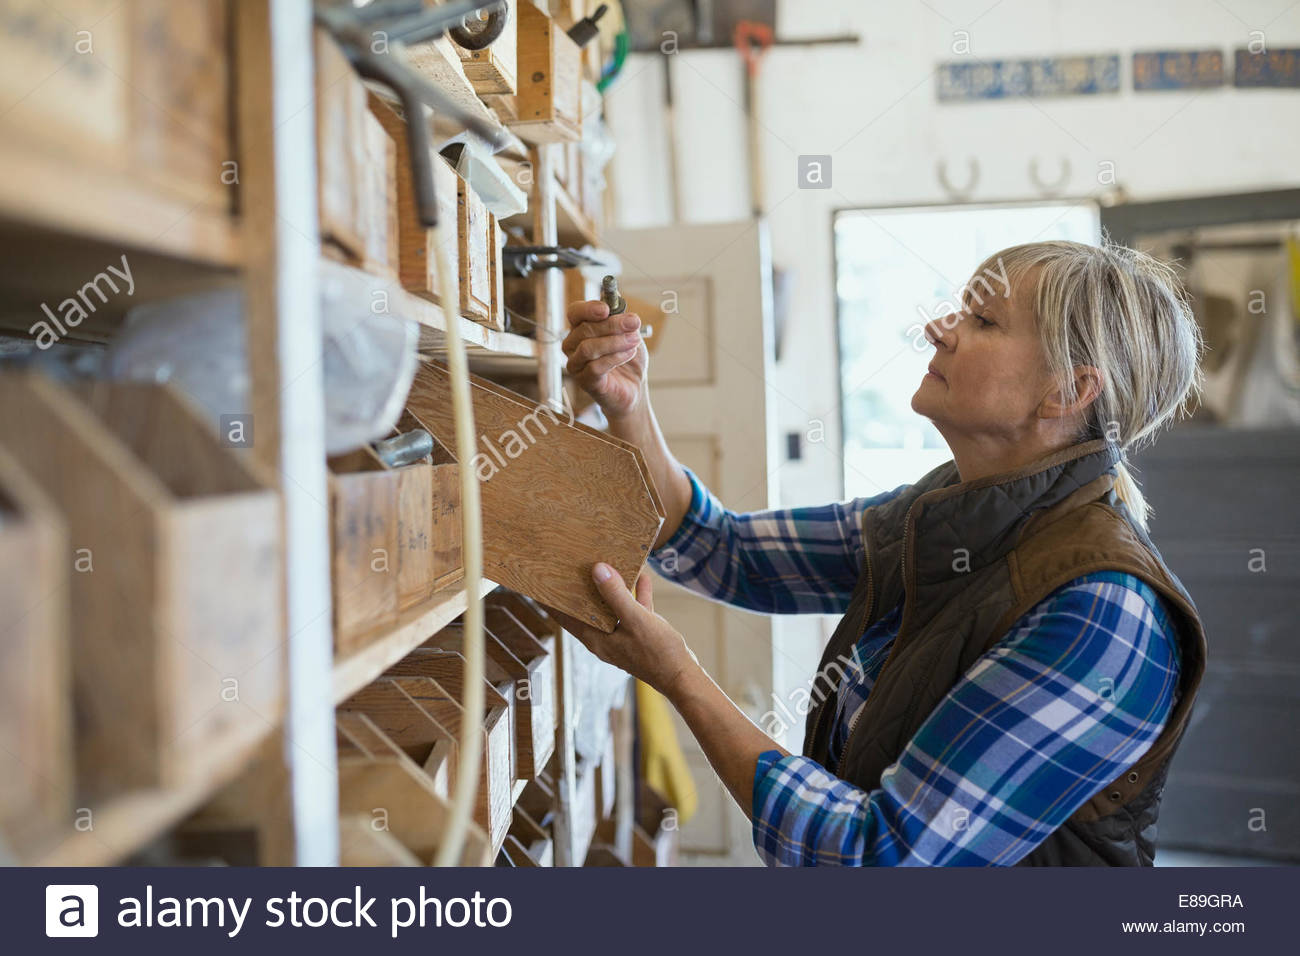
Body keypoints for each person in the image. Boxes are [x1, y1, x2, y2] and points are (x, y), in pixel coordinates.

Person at [548, 239, 1208, 866]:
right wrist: (629, 406)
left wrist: (679, 678)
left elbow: (879, 857)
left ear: (1067, 392)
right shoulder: (946, 512)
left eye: (982, 320)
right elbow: (724, 551)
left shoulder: (1101, 613)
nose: (938, 328)